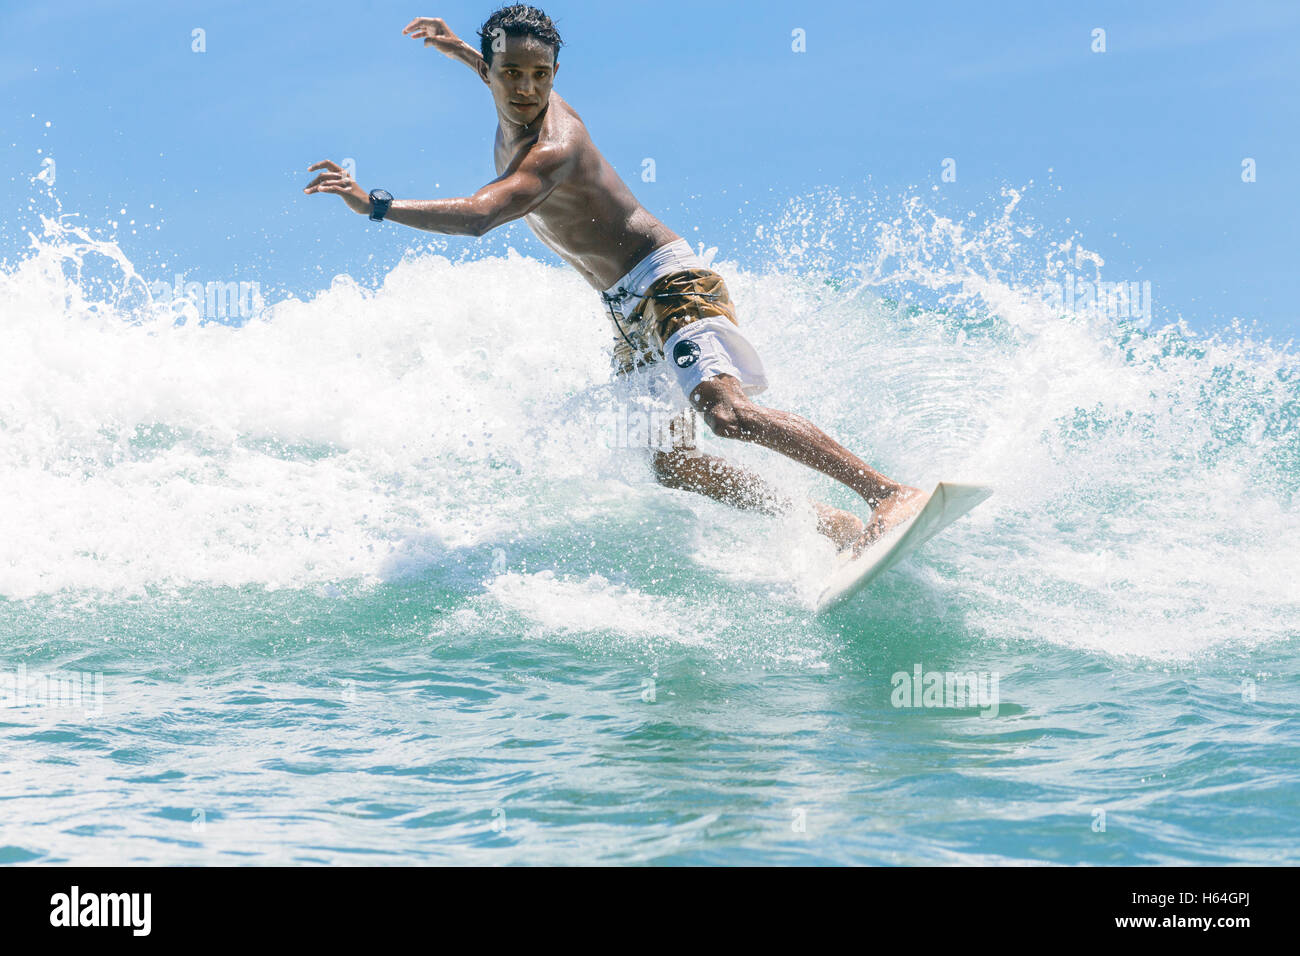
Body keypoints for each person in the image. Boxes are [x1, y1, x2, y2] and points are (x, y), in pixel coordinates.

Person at [304, 5, 922, 552]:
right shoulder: (507, 89)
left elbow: (481, 216)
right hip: (626, 315)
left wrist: (376, 204)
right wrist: (457, 49)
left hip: (666, 283)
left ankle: (888, 493)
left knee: (726, 414)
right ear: (490, 72)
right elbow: (500, 71)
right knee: (675, 465)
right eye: (511, 73)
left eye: (541, 75)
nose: (526, 88)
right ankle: (835, 528)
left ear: (555, 75)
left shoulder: (553, 147)